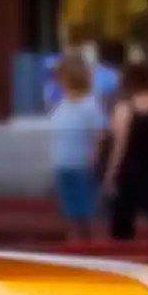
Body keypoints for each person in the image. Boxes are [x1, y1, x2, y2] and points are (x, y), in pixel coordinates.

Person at [104, 63, 148, 241]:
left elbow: (120, 145)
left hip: (131, 171)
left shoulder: (125, 108)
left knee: (122, 225)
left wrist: (111, 173)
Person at [48, 58, 108, 242]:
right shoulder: (62, 105)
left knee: (88, 214)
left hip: (82, 165)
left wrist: (94, 159)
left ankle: (96, 253)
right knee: (70, 214)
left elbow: (99, 135)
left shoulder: (90, 104)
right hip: (63, 163)